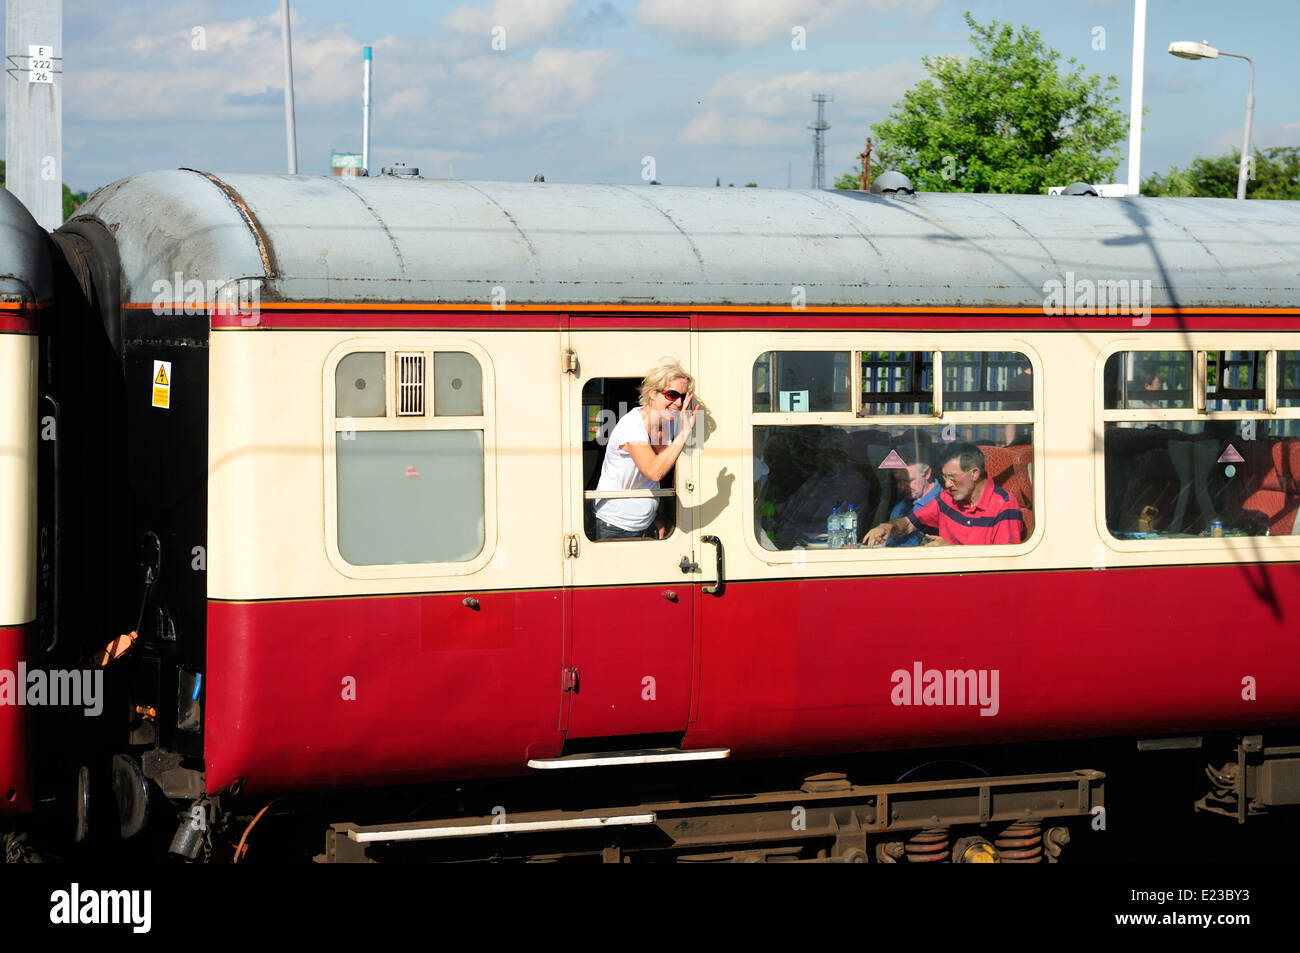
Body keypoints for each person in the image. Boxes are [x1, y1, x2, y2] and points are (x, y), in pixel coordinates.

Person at [592, 359, 698, 540]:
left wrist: (659, 515)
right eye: (672, 395)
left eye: (683, 396)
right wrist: (684, 433)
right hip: (616, 525)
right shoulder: (631, 425)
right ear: (652, 394)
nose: (679, 403)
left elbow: (662, 476)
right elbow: (654, 472)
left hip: (647, 524)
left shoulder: (667, 424)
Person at [863, 442, 1022, 546]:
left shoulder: (1004, 506)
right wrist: (887, 527)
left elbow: (1004, 566)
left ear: (974, 474)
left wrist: (951, 551)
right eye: (945, 477)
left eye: (952, 478)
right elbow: (910, 523)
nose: (947, 484)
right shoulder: (947, 498)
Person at [885, 447, 941, 547]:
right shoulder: (902, 503)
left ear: (927, 474)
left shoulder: (944, 503)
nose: (902, 487)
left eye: (908, 481)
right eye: (898, 481)